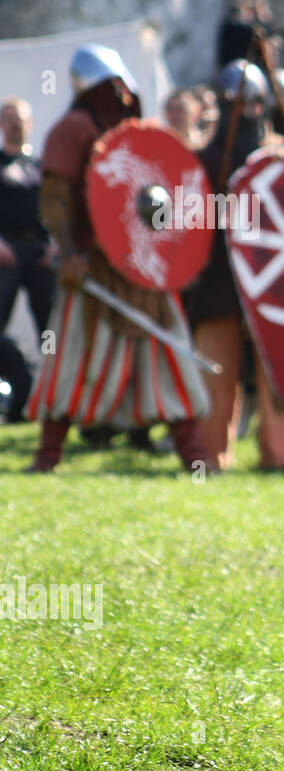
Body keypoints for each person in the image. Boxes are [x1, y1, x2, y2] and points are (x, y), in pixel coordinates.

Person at [26, 44, 211, 472]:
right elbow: (54, 198)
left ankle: (194, 455)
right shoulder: (74, 129)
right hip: (93, 268)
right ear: (101, 87)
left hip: (143, 268)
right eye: (116, 90)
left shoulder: (136, 132)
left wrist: (174, 255)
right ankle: (47, 454)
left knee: (171, 360)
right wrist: (69, 254)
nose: (124, 98)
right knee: (73, 359)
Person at [186, 59, 284, 470]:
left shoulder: (280, 160)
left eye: (256, 103)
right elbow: (189, 222)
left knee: (280, 373)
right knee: (215, 375)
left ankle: (283, 454)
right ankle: (210, 455)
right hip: (218, 282)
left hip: (273, 284)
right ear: (223, 105)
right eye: (239, 104)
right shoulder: (201, 161)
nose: (248, 112)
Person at [0, 97, 55, 337]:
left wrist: (55, 245)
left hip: (40, 252)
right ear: (2, 125)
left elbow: (57, 208)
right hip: (6, 251)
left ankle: (53, 373)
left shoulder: (42, 166)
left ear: (29, 123)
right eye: (9, 119)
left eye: (19, 119)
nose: (15, 124)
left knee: (50, 325)